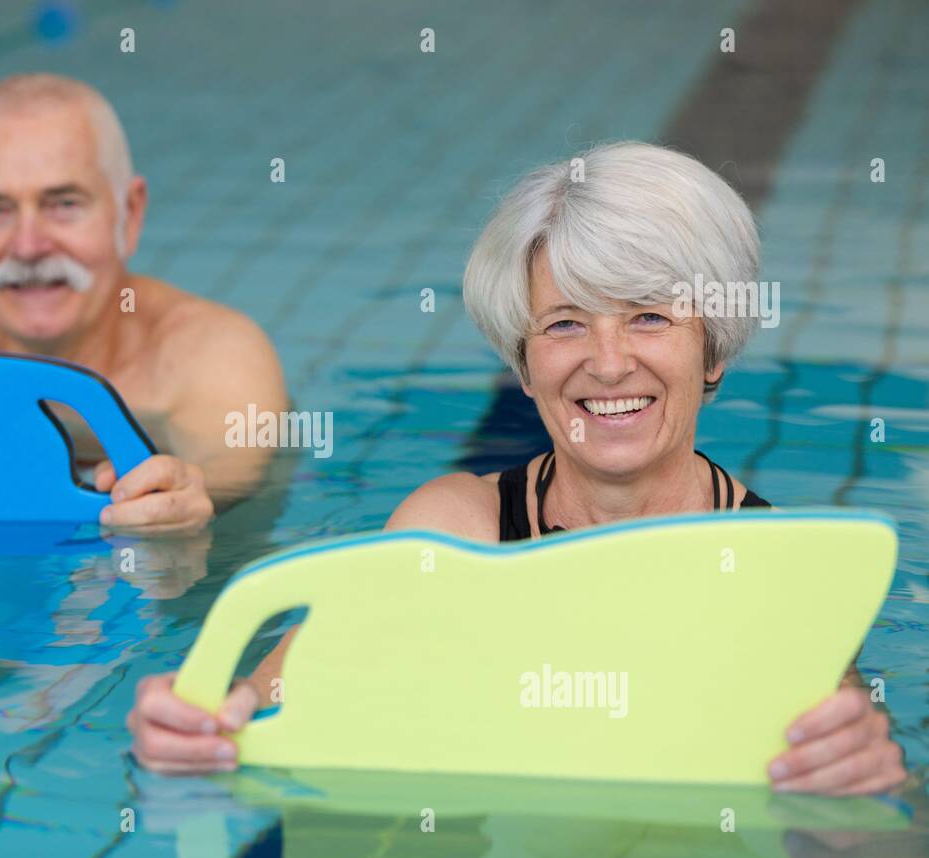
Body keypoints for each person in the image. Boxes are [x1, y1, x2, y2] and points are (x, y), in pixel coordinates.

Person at [127, 142, 907, 795]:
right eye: (565, 323)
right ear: (525, 365)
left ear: (713, 351)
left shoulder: (776, 572)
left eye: (648, 316)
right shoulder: (452, 535)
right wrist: (184, 736)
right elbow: (259, 711)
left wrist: (869, 778)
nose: (608, 364)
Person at [0, 73, 287, 534]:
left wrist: (187, 504)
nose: (28, 246)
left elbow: (228, 483)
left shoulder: (211, 354)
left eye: (63, 204)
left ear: (130, 214)